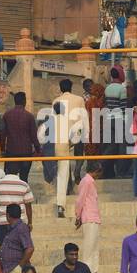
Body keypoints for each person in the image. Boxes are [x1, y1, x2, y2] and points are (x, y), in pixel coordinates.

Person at [52, 79, 89, 216]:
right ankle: (76, 176)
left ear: (60, 88)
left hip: (61, 137)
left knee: (62, 170)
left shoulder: (56, 101)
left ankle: (61, 205)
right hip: (76, 134)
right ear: (72, 87)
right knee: (78, 157)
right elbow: (84, 119)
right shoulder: (79, 99)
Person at [0, 203, 34, 273]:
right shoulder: (12, 228)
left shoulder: (21, 228)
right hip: (7, 269)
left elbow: (30, 248)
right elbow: (10, 245)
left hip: (15, 268)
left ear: (8, 215)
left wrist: (20, 265)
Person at [0, 92, 38, 180]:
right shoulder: (29, 116)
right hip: (26, 153)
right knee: (24, 178)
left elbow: (3, 135)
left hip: (11, 152)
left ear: (15, 101)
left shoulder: (7, 115)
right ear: (24, 102)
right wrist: (38, 150)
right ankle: (23, 192)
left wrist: (2, 149)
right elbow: (34, 136)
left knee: (10, 178)